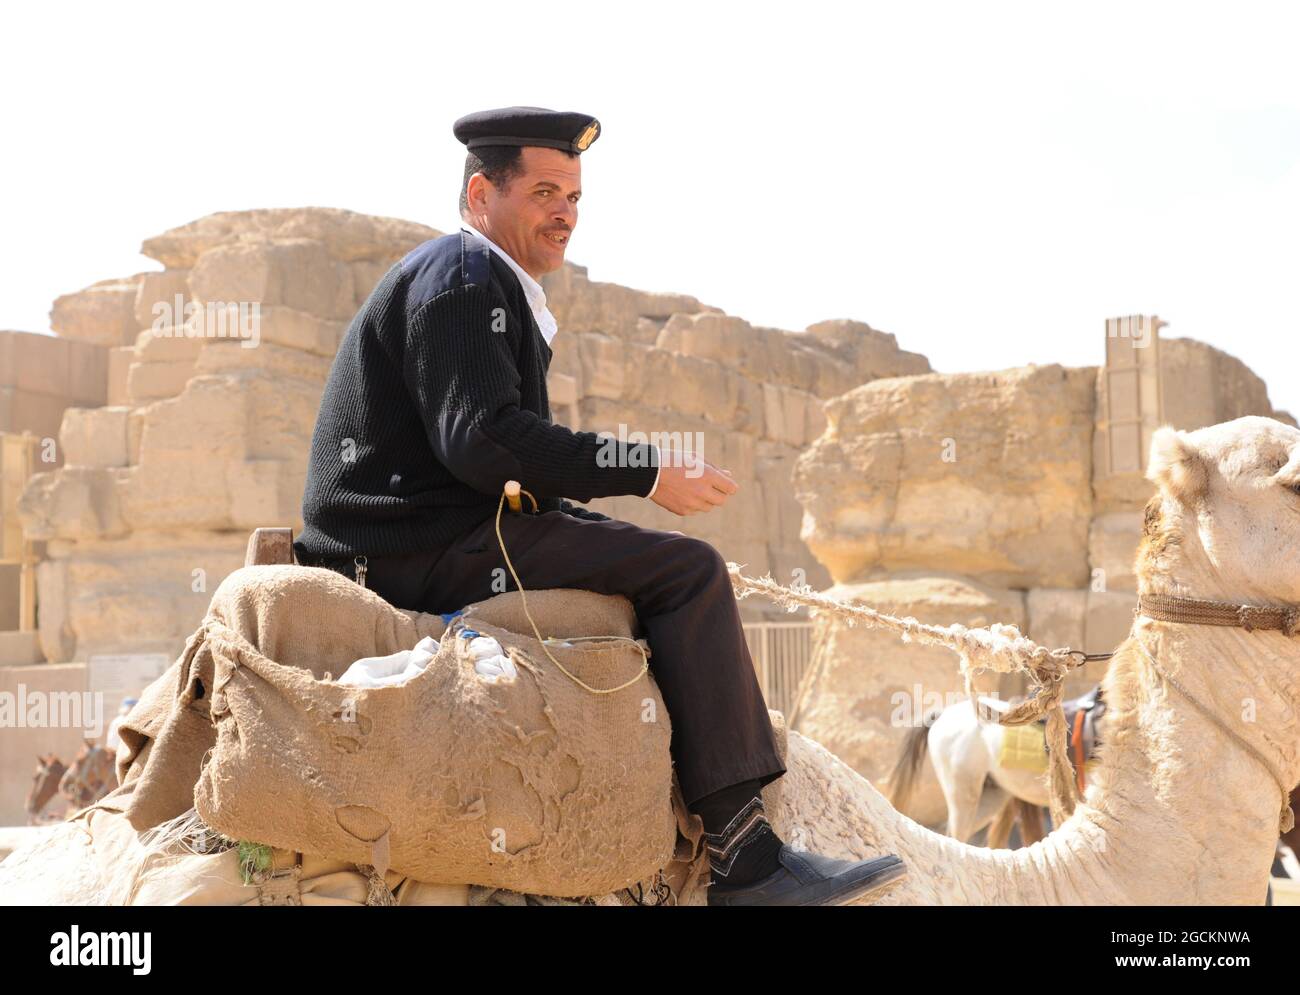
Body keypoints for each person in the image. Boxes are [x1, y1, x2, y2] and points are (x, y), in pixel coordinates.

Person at [293, 106, 906, 906]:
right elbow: (482, 441)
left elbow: (507, 456)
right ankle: (744, 858)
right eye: (545, 191)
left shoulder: (487, 283)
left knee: (629, 548)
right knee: (685, 571)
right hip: (409, 547)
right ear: (482, 193)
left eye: (576, 197)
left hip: (443, 528)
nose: (565, 214)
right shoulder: (463, 274)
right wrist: (644, 469)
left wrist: (599, 499)